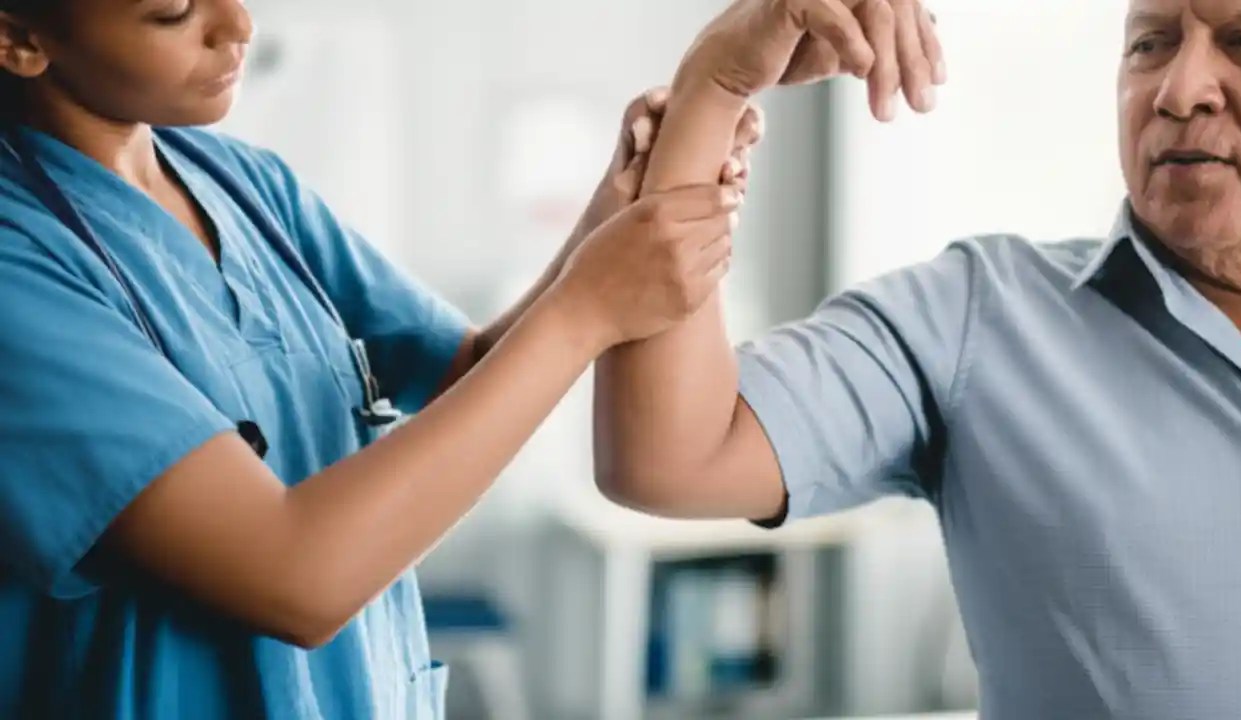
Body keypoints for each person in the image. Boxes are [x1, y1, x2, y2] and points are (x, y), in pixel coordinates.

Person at [0, 1, 764, 718]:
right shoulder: (19, 269)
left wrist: (613, 210)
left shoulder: (245, 185)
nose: (237, 25)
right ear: (19, 40)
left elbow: (467, 373)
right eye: (172, 10)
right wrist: (587, 310)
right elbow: (295, 577)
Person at [595, 0, 1241, 718]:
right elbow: (671, 455)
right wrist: (714, 85)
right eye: (1149, 45)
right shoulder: (982, 316)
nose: (1178, 90)